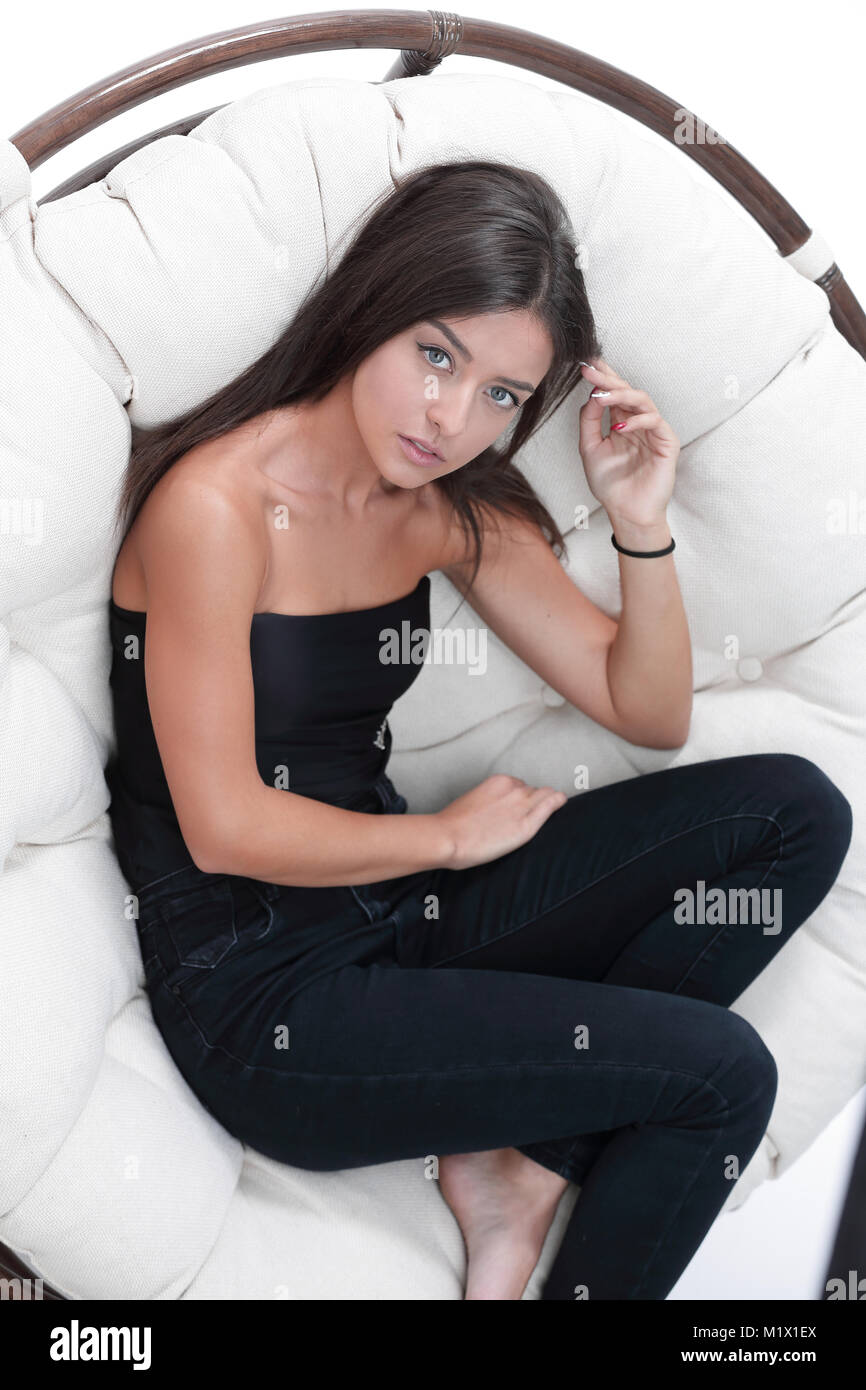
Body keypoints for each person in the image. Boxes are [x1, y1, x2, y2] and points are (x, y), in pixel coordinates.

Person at [105, 160, 853, 1300]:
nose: (451, 418)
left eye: (502, 395)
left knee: (792, 811)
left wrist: (636, 523)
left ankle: (521, 1162)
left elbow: (646, 711)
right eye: (436, 355)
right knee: (718, 1076)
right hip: (266, 1001)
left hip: (396, 924)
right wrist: (446, 842)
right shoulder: (214, 507)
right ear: (373, 305)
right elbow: (223, 827)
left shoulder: (446, 509)